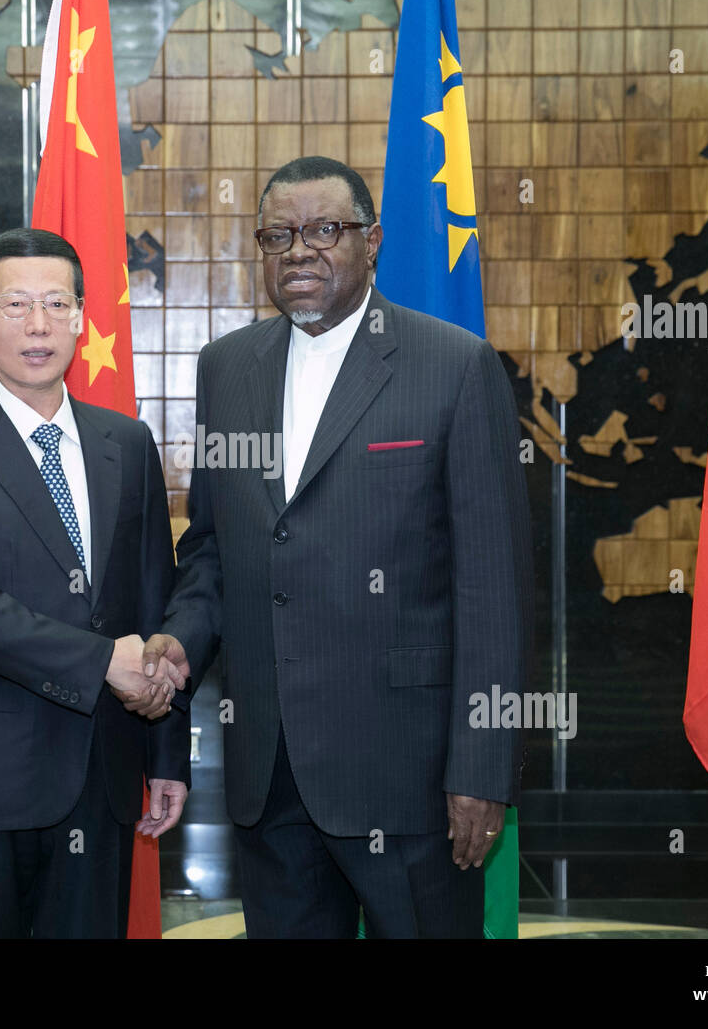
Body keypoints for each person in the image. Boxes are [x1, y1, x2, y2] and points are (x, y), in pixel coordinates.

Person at [144, 156, 533, 938]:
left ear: (373, 242)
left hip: (412, 780)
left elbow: (494, 588)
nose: (300, 251)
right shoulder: (228, 369)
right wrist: (176, 644)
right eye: (279, 235)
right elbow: (217, 547)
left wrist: (482, 769)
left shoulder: (454, 366)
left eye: (326, 230)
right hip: (271, 777)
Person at [0, 228, 188, 938]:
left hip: (102, 776)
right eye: (16, 303)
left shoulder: (128, 443)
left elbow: (154, 599)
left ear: (83, 318)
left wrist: (166, 755)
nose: (38, 324)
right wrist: (101, 661)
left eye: (57, 303)